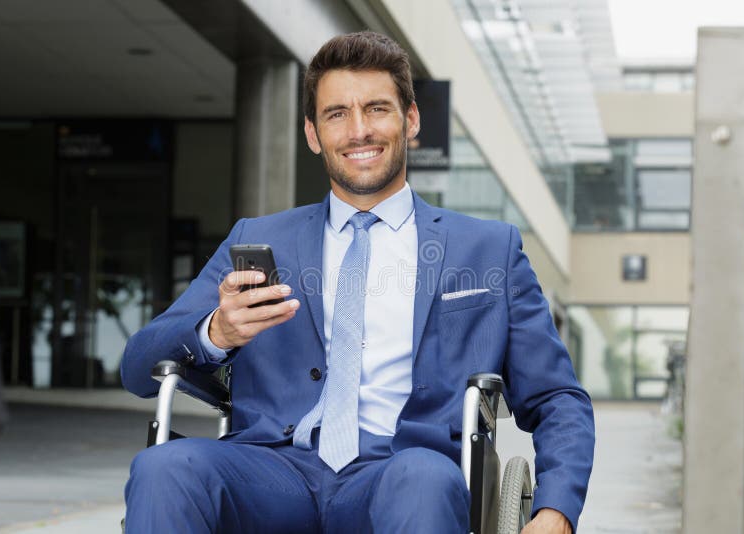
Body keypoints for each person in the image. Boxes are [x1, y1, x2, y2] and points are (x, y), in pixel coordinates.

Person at [121, 31, 594, 534]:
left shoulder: (486, 249)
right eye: (336, 114)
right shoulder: (259, 238)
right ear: (312, 133)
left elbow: (558, 398)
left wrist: (555, 510)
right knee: (164, 467)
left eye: (377, 109)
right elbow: (137, 369)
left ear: (410, 120)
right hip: (270, 471)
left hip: (400, 470)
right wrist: (214, 333)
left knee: (423, 478)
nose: (359, 130)